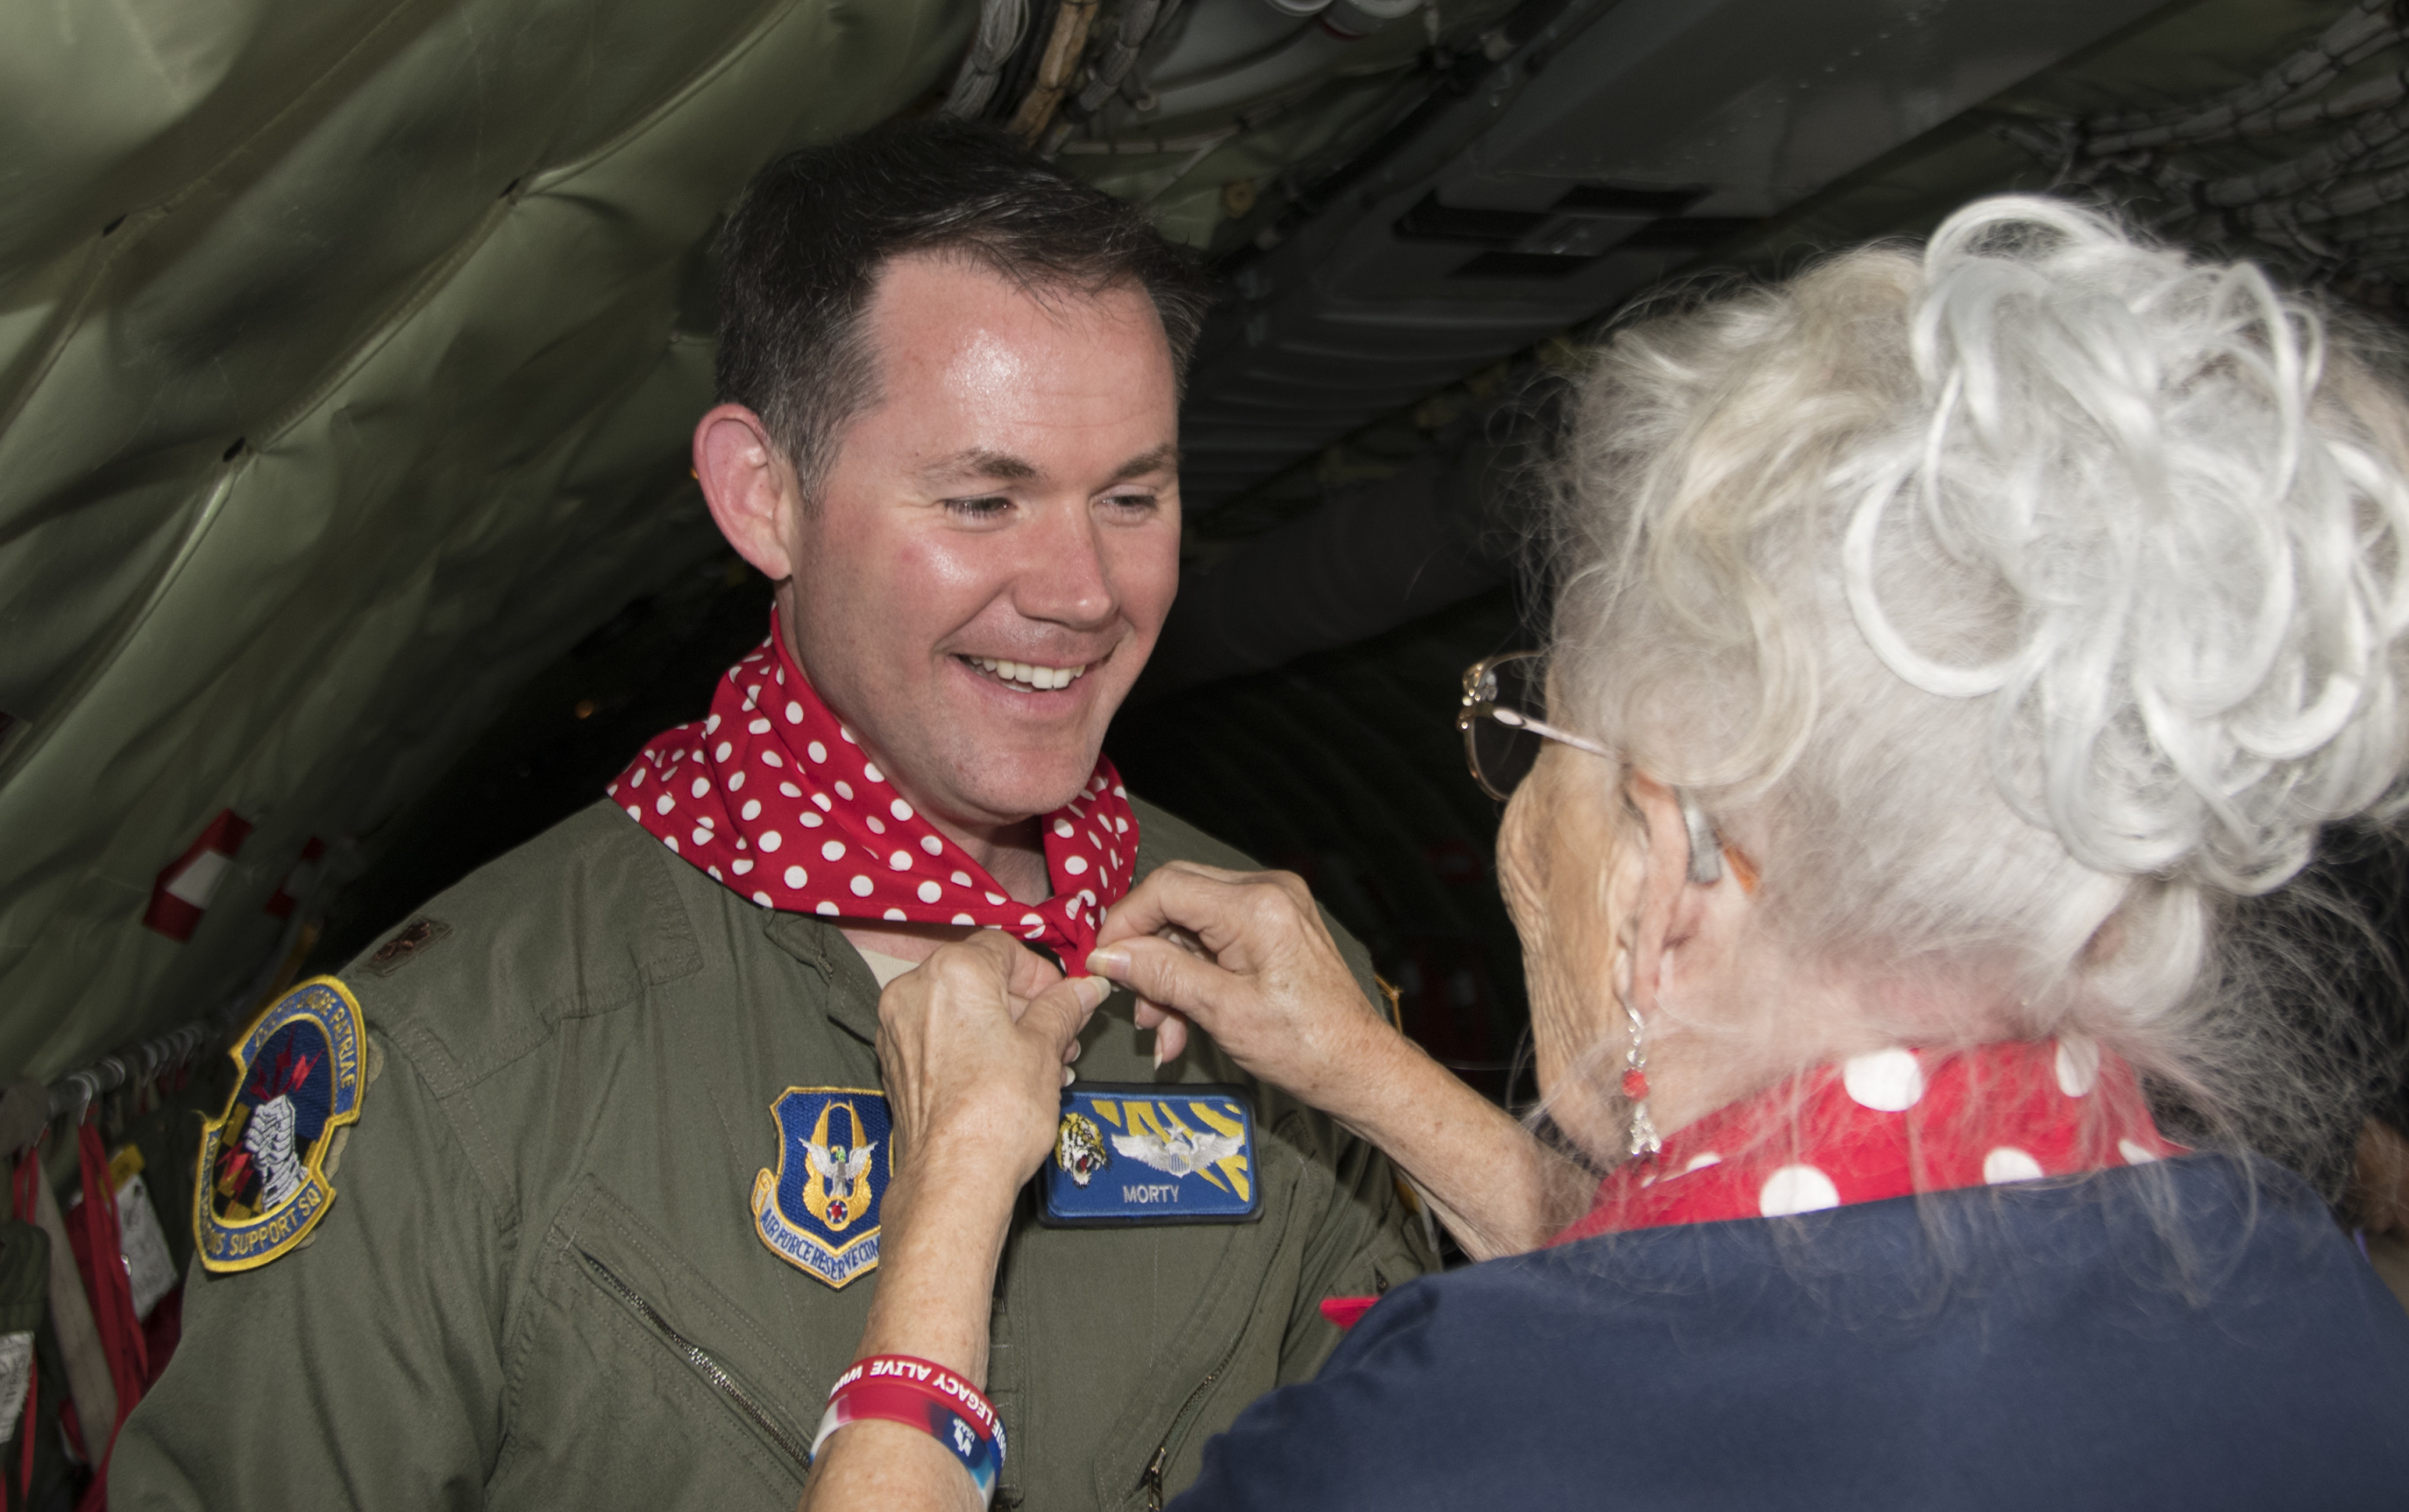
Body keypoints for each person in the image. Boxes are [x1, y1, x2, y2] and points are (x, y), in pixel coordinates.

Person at [830, 196, 2409, 1509]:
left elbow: (1623, 1372)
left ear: (1673, 872)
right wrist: (1368, 1076)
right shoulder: (2309, 1301)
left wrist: (958, 1182)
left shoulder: (1439, 1444)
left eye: (1539, 744)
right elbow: (1734, 1309)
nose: (1513, 805)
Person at [113, 120, 1435, 1511]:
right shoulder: (456, 1068)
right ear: (766, 498)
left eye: (1133, 497)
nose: (1081, 589)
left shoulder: (1290, 1000)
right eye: (985, 499)